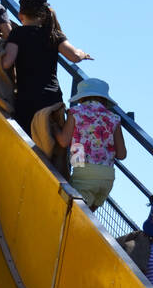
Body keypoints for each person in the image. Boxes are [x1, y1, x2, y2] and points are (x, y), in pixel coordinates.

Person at [0, 0, 92, 135]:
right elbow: (73, 56)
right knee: (50, 142)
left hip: (26, 98)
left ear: (20, 15)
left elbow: (6, 63)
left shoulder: (18, 34)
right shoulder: (53, 34)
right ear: (43, 15)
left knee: (27, 139)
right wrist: (82, 53)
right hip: (51, 99)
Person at [53, 79, 127, 211]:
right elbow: (122, 154)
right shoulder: (114, 118)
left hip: (83, 172)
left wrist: (54, 128)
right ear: (105, 99)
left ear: (81, 97)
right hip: (107, 177)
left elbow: (64, 141)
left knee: (73, 214)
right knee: (87, 218)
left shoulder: (75, 112)